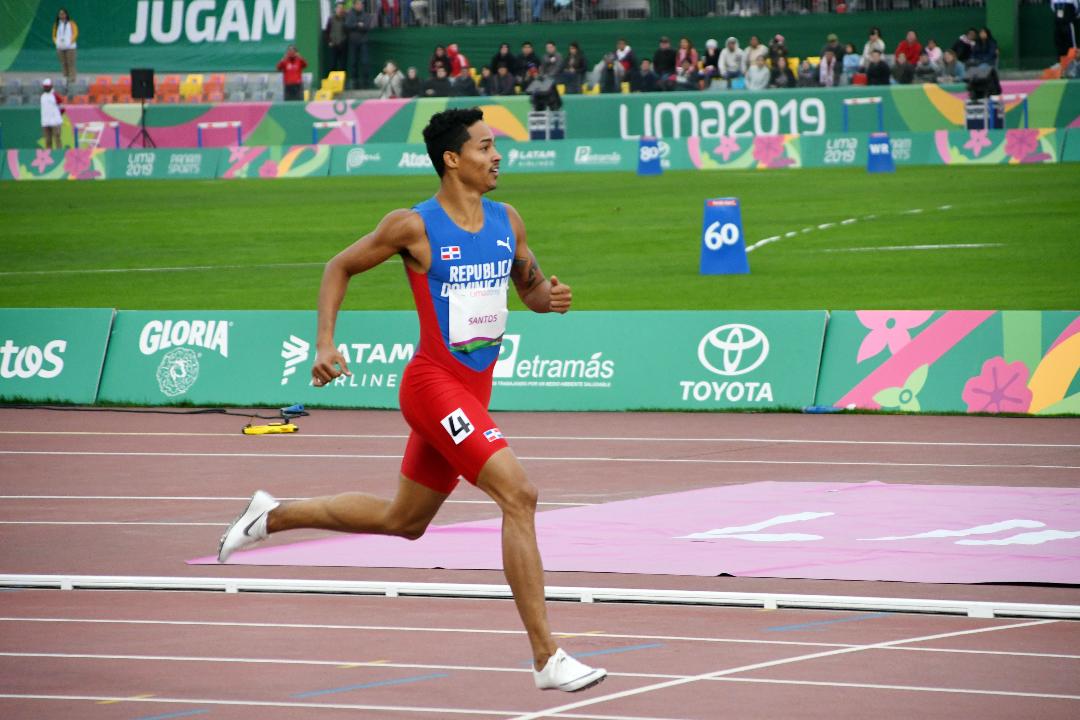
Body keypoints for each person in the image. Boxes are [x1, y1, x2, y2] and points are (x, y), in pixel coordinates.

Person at [217, 107, 607, 694]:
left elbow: (527, 287)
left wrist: (548, 296)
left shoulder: (508, 221)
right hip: (431, 386)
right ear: (453, 160)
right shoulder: (413, 226)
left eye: (495, 146)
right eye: (484, 147)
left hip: (474, 390)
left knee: (405, 521)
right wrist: (324, 343)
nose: (497, 156)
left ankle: (271, 514)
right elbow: (338, 266)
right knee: (519, 495)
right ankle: (546, 657)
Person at [345, 0, 373, 89]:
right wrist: (358, 25)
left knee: (365, 62)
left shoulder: (366, 15)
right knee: (353, 63)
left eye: (361, 4)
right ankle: (354, 83)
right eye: (358, 4)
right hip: (352, 42)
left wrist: (356, 26)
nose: (360, 6)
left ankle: (366, 83)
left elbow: (367, 27)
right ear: (354, 5)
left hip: (363, 42)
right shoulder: (349, 14)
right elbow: (347, 26)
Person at [52, 8, 78, 89]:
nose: (61, 15)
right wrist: (57, 43)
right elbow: (54, 35)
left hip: (70, 47)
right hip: (60, 47)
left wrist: (69, 42)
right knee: (63, 63)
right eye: (60, 14)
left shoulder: (71, 24)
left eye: (63, 14)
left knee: (70, 63)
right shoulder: (56, 25)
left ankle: (72, 80)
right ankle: (65, 79)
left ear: (66, 15)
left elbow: (75, 33)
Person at [40, 78, 64, 150]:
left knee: (57, 139)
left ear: (51, 86)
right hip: (45, 122)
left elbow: (62, 107)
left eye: (47, 87)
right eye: (45, 87)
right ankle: (48, 154)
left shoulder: (55, 95)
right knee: (48, 141)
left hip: (55, 122)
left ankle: (59, 154)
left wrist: (57, 116)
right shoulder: (42, 96)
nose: (46, 88)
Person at [324, 2, 348, 73]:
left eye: (342, 8)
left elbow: (348, 31)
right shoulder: (331, 19)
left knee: (343, 65)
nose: (340, 10)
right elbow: (327, 32)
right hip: (333, 44)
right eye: (339, 8)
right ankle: (333, 82)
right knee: (333, 64)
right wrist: (329, 42)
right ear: (335, 9)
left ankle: (342, 82)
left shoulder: (345, 19)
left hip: (343, 44)